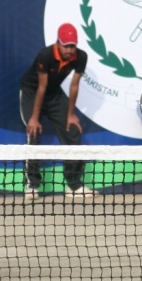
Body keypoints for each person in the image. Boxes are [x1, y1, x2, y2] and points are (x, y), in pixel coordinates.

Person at [18, 22, 96, 200]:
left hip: (54, 94)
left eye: (72, 46)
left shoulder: (81, 57)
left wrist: (70, 115)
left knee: (73, 130)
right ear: (57, 43)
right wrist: (35, 118)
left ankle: (74, 185)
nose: (69, 50)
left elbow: (74, 85)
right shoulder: (45, 55)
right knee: (34, 131)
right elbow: (41, 87)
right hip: (32, 91)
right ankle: (32, 184)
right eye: (65, 45)